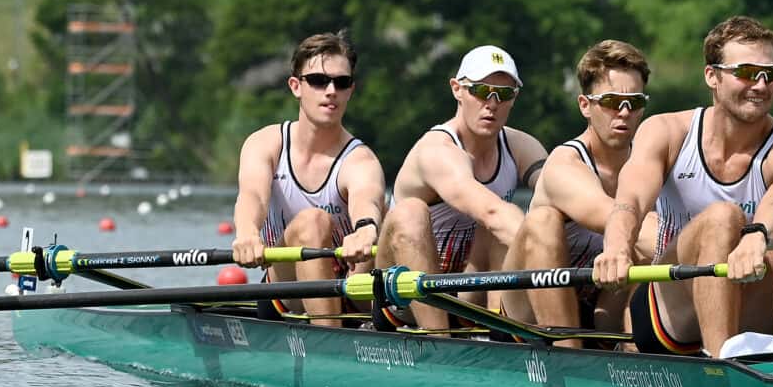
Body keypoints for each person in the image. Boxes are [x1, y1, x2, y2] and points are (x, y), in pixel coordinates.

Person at [595, 15, 773, 357]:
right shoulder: (666, 132)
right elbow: (629, 202)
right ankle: (722, 363)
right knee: (722, 218)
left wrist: (757, 235)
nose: (760, 85)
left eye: (770, 75)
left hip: (748, 298)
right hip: (669, 310)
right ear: (712, 76)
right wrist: (615, 249)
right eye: (746, 73)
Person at [373, 44, 549, 331]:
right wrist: (547, 255)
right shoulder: (438, 150)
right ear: (457, 89)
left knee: (515, 225)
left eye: (503, 94)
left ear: (514, 99)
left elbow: (557, 194)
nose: (491, 103)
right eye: (480, 91)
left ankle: (505, 334)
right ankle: (438, 341)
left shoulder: (521, 146)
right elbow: (492, 212)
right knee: (412, 212)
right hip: (403, 296)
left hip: (467, 289)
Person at [508, 39, 658, 347]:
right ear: (585, 105)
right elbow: (618, 219)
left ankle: (637, 358)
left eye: (636, 103)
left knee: (649, 251)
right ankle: (568, 357)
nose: (625, 113)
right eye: (613, 102)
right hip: (526, 318)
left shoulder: (651, 164)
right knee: (543, 221)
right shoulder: (564, 165)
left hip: (601, 307)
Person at [230, 32, 388, 323]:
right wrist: (247, 233)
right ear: (295, 86)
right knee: (313, 222)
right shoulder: (265, 144)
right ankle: (330, 340)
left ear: (350, 90)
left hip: (354, 290)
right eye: (318, 81)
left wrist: (366, 229)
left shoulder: (360, 160)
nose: (330, 91)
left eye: (341, 83)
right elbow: (252, 195)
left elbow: (368, 201)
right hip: (286, 291)